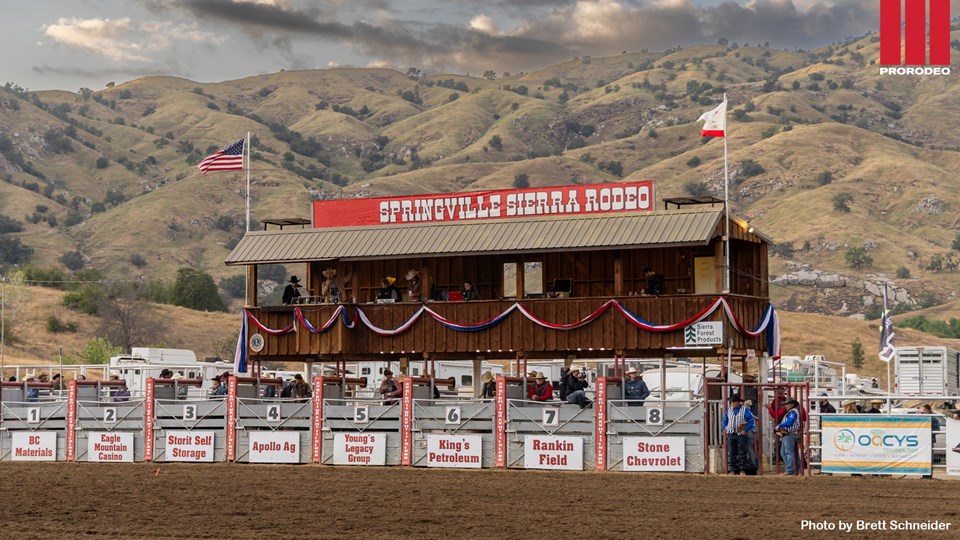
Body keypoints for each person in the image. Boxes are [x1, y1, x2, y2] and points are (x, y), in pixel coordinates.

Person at [722, 394, 756, 475]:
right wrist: (726, 428)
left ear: (738, 402)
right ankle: (734, 469)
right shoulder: (729, 410)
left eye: (734, 402)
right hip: (731, 433)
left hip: (740, 434)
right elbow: (724, 421)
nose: (732, 403)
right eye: (732, 402)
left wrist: (746, 430)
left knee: (742, 452)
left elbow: (750, 421)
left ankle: (741, 469)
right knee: (732, 452)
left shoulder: (744, 410)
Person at [775, 399, 802, 475]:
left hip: (789, 434)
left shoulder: (792, 412)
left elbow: (790, 422)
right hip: (789, 434)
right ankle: (796, 469)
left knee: (787, 453)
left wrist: (780, 425)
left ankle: (790, 470)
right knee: (786, 453)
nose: (786, 406)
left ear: (792, 404)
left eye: (787, 404)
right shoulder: (793, 412)